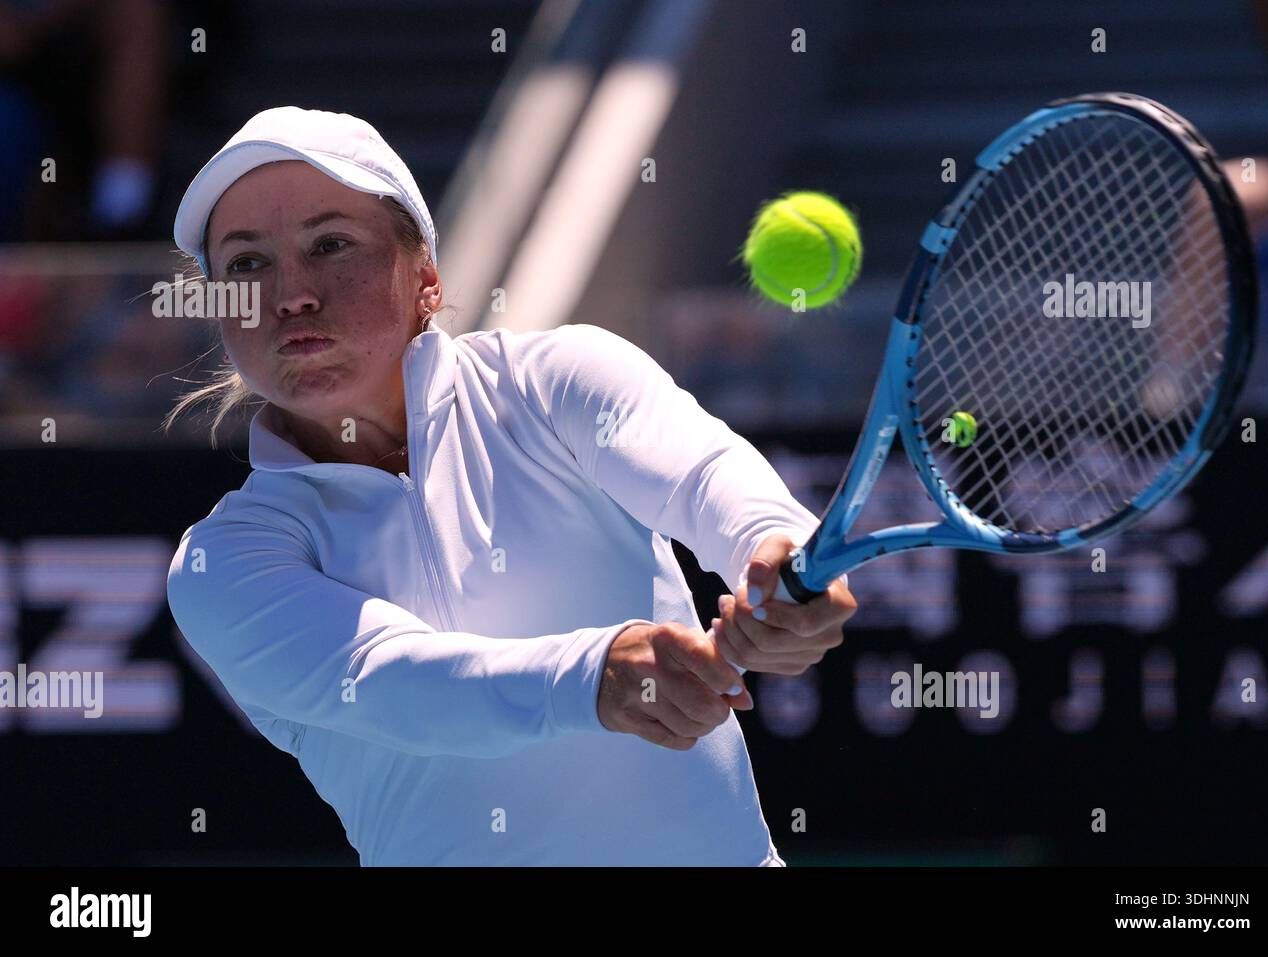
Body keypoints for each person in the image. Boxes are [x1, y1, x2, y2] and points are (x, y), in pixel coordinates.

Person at [164, 107, 856, 866]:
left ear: (425, 277)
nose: (292, 293)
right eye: (247, 265)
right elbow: (391, 678)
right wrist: (595, 674)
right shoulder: (221, 564)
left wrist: (776, 551)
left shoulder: (556, 379)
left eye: (331, 245)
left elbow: (704, 474)